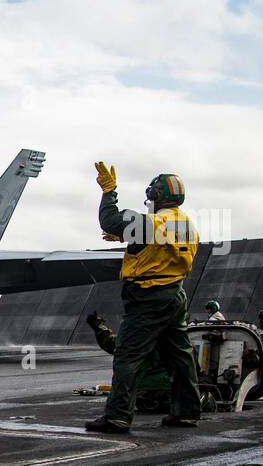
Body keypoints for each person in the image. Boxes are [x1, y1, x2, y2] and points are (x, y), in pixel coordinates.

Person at [85, 163, 203, 433]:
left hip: (147, 298)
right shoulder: (187, 224)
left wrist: (109, 191)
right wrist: (127, 239)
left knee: (127, 356)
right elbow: (159, 246)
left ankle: (117, 416)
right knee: (181, 357)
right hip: (175, 295)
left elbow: (110, 220)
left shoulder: (151, 222)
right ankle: (187, 412)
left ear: (158, 195)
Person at [85, 311, 173, 413]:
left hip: (143, 396)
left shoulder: (135, 337)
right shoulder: (176, 338)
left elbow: (110, 343)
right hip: (171, 395)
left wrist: (99, 327)